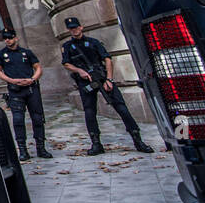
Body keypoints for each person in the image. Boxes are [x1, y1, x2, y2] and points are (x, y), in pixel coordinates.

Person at [60, 16, 154, 155]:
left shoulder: (94, 42)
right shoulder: (67, 46)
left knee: (122, 108)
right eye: (71, 29)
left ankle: (138, 140)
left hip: (102, 78)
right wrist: (80, 71)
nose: (74, 30)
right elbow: (66, 63)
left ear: (81, 27)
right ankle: (96, 143)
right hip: (86, 82)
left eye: (75, 27)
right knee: (90, 112)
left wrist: (109, 79)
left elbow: (107, 59)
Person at [0, 27, 52, 160]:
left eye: (9, 37)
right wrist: (11, 80)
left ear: (16, 38)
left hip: (31, 89)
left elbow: (37, 67)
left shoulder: (26, 53)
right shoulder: (0, 54)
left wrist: (32, 79)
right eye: (5, 38)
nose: (7, 40)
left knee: (37, 118)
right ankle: (23, 150)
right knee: (18, 120)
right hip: (15, 91)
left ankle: (41, 148)